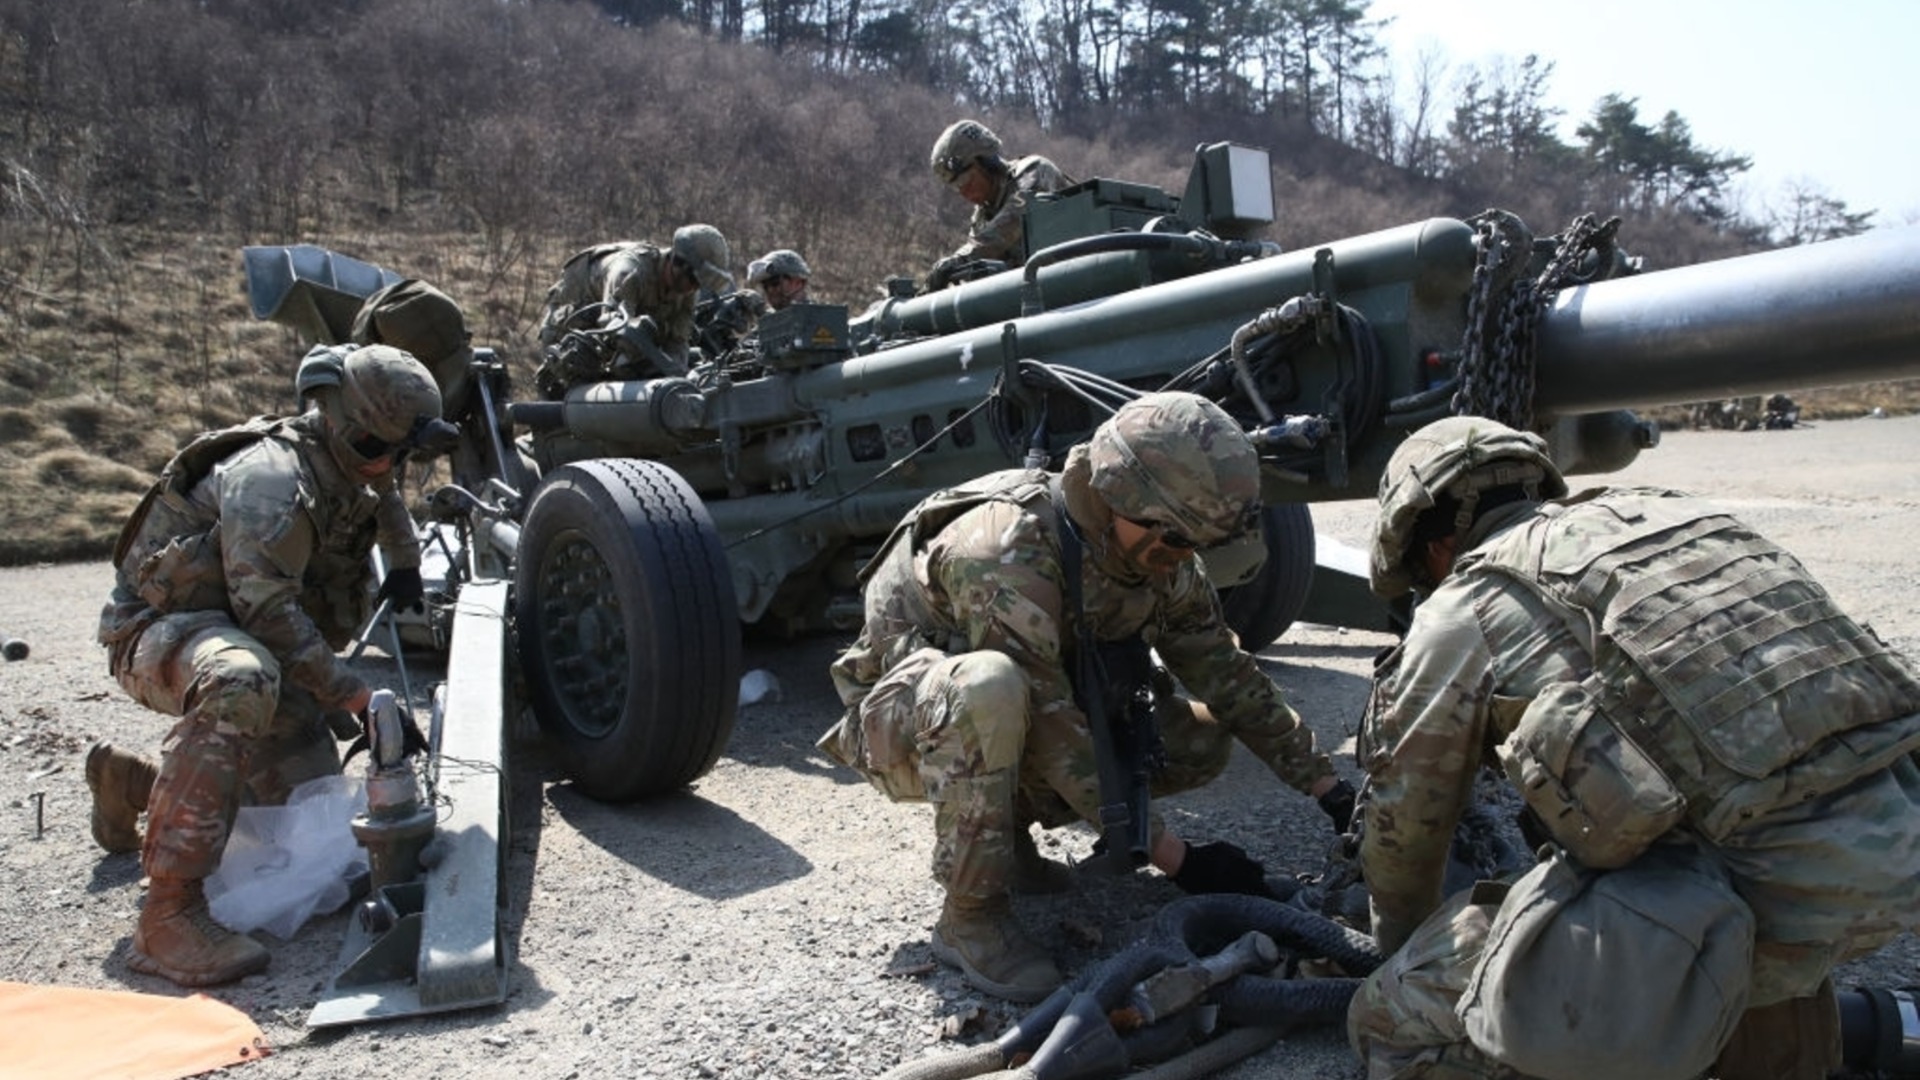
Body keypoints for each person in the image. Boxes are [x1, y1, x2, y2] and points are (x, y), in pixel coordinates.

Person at [1346, 415, 1920, 1080]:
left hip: (1744, 903)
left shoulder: (1464, 606)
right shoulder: (1681, 521)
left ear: (1436, 545)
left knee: (1387, 1020)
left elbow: (1405, 830)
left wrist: (1401, 949)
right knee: (1738, 852)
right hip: (1895, 845)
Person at [818, 391, 1353, 1003]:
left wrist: (1330, 790)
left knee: (1197, 738)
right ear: (1119, 498)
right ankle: (968, 917)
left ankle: (1008, 846)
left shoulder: (1155, 547)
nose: (1182, 559)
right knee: (991, 687)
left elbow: (1225, 670)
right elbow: (1049, 725)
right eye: (1177, 540)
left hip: (1027, 701)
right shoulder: (1004, 552)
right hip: (905, 727)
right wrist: (1180, 859)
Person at [89, 345, 455, 988]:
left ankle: (136, 785)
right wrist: (354, 697)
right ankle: (167, 916)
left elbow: (384, 495)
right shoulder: (271, 479)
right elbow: (269, 616)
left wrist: (403, 563)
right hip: (161, 631)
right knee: (242, 679)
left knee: (304, 836)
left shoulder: (356, 459)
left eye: (401, 453)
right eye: (376, 447)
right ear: (338, 419)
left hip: (247, 638)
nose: (386, 464)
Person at [535, 223, 733, 383]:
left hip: (609, 334)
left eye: (699, 283)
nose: (694, 288)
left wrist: (678, 379)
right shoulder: (630, 273)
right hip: (569, 330)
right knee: (595, 374)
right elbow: (615, 328)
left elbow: (678, 341)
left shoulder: (688, 292)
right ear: (678, 263)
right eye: (694, 279)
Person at [925, 119, 1073, 289]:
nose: (964, 192)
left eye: (967, 181)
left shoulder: (1035, 171)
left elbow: (1013, 218)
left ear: (986, 162)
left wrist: (960, 260)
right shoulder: (982, 218)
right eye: (957, 187)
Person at [746, 248, 811, 312]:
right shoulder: (769, 317)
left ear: (798, 283)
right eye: (765, 287)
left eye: (775, 284)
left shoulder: (814, 315)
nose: (770, 290)